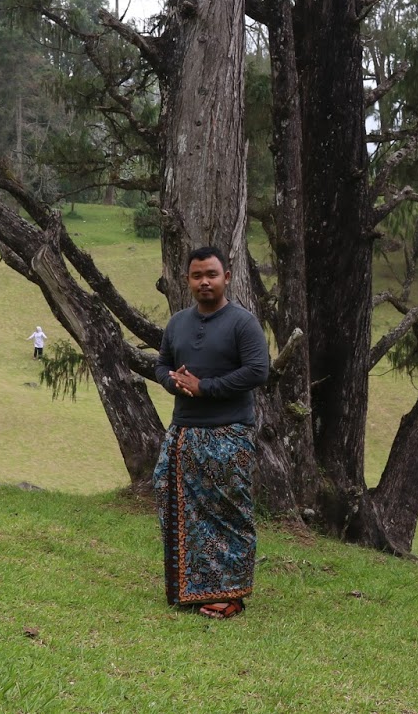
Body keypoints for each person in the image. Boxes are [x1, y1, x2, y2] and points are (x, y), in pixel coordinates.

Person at [153, 246, 269, 619]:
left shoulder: (242, 323)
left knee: (229, 514)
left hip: (229, 434)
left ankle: (231, 594)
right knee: (175, 505)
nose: (205, 281)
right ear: (187, 280)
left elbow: (257, 371)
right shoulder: (177, 323)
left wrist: (206, 388)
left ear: (227, 277)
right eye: (197, 275)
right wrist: (174, 383)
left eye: (212, 274)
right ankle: (192, 589)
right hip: (183, 432)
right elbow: (162, 363)